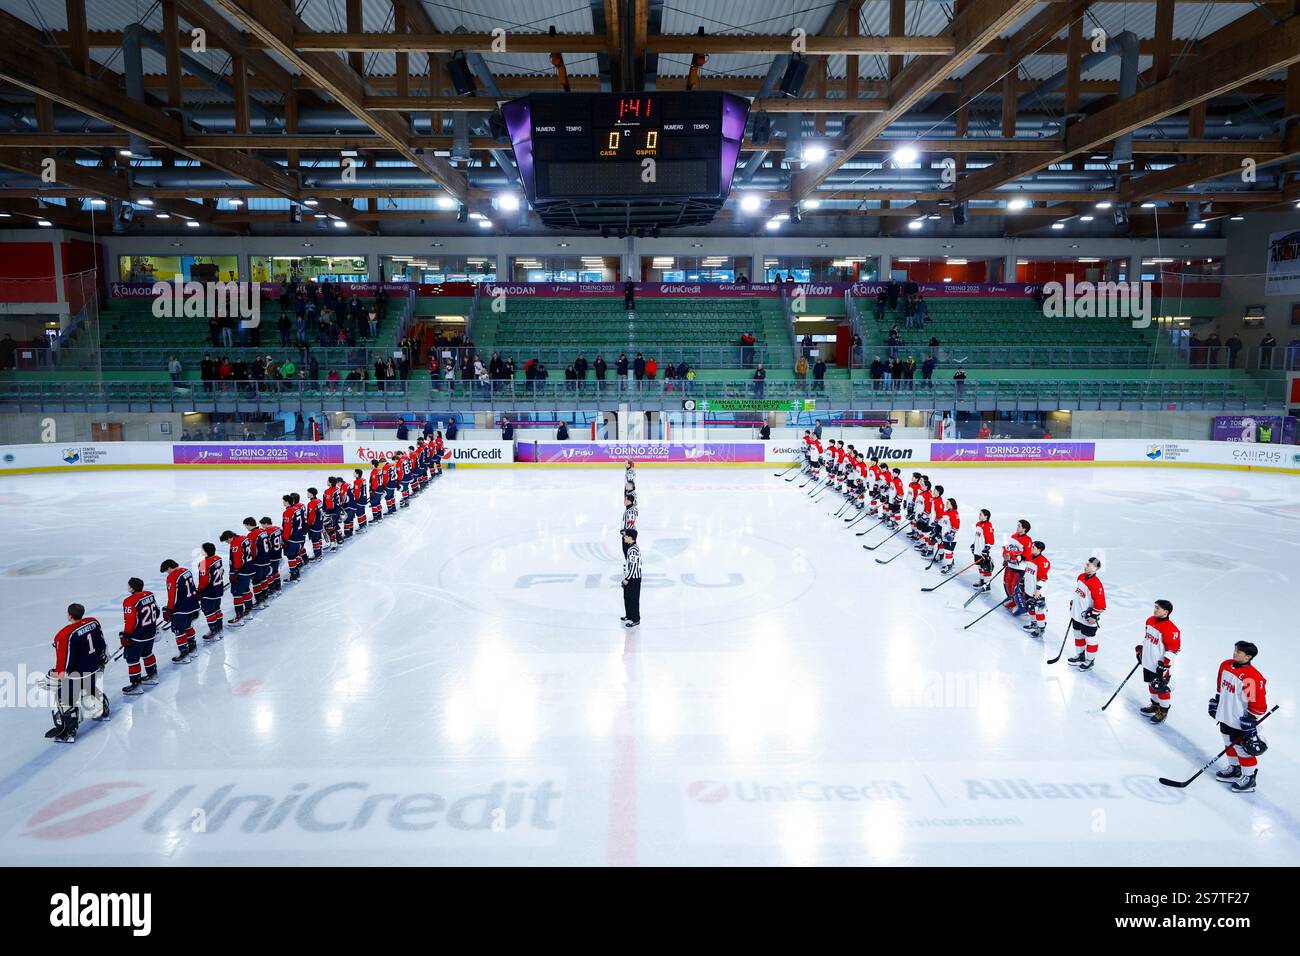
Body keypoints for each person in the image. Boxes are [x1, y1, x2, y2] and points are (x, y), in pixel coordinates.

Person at [1208, 641, 1270, 793]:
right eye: (1235, 650)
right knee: (1227, 742)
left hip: (1239, 719)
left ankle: (1249, 777)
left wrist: (1250, 720)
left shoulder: (1251, 677)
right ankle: (1234, 768)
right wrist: (1217, 701)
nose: (1235, 653)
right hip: (1225, 714)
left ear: (1248, 657)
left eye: (1239, 652)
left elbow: (1259, 704)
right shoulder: (1226, 665)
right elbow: (1220, 686)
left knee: (1242, 749)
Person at [46, 604, 109, 743]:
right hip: (96, 666)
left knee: (65, 698)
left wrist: (58, 674)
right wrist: (103, 657)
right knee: (90, 687)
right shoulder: (93, 622)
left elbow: (64, 659)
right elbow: (101, 642)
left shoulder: (64, 635)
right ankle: (103, 711)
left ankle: (70, 731)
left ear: (69, 616)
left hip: (79, 673)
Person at [1135, 599, 1181, 724]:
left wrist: (1164, 664)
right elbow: (1148, 639)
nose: (1155, 610)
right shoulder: (1150, 620)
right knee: (1151, 684)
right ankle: (1155, 705)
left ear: (1166, 612)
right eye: (1155, 607)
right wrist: (1143, 651)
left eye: (1158, 608)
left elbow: (1174, 649)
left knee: (1161, 687)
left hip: (1160, 665)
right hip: (1148, 661)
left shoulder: (1171, 630)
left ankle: (1163, 711)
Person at [119, 578, 160, 694]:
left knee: (132, 659)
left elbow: (131, 621)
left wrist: (126, 635)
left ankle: (136, 685)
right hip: (151, 632)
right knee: (148, 653)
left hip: (138, 636)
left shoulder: (129, 601)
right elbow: (157, 612)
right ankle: (153, 676)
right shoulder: (150, 595)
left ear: (132, 588)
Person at [1065, 557, 1106, 668]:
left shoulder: (1096, 584)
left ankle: (1090, 660)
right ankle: (1080, 656)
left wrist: (1094, 615)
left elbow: (1101, 604)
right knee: (1078, 635)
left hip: (1088, 617)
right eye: (1086, 564)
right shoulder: (1081, 577)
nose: (1085, 566)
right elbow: (1079, 593)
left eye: (1089, 565)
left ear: (1095, 568)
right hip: (1077, 614)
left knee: (1090, 639)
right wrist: (1073, 603)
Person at [160, 557, 201, 662]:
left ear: (169, 568)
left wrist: (169, 610)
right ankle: (193, 649)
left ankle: (184, 655)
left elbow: (172, 596)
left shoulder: (172, 577)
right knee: (188, 626)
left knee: (179, 630)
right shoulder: (186, 571)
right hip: (193, 604)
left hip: (182, 608)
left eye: (166, 570)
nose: (167, 573)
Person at [197, 543, 226, 639]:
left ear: (206, 551)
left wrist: (199, 591)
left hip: (209, 592)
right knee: (217, 609)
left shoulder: (203, 564)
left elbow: (204, 580)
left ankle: (214, 632)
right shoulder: (218, 558)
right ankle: (220, 629)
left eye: (202, 549)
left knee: (209, 611)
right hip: (218, 589)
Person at [621, 529, 642, 628]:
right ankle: (629, 615)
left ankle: (635, 619)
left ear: (630, 537)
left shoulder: (633, 550)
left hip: (633, 579)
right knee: (627, 597)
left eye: (625, 536)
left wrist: (627, 579)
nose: (624, 537)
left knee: (633, 599)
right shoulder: (630, 548)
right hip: (629, 577)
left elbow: (633, 566)